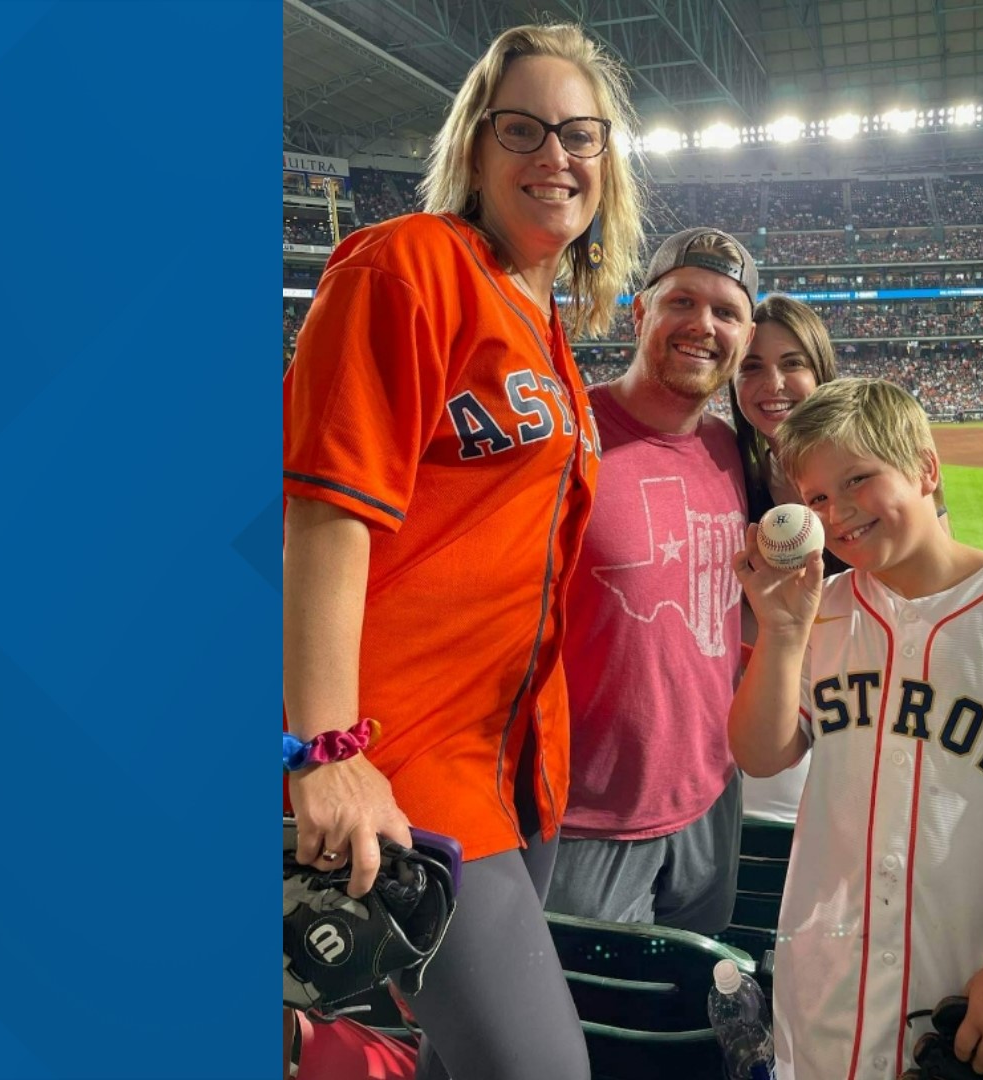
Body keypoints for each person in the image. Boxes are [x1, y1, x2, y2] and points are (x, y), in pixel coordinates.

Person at [281, 23, 642, 1080]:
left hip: (514, 770)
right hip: (401, 760)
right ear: (476, 150)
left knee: (460, 1060)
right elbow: (325, 516)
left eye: (580, 134)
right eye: (521, 129)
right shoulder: (408, 267)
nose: (554, 156)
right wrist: (329, 751)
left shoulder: (548, 331)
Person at [728, 377, 983, 1080]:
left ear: (926, 469)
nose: (838, 512)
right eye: (818, 497)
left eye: (859, 478)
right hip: (838, 979)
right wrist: (779, 631)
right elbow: (761, 753)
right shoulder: (821, 609)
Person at [542, 228, 758, 936]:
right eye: (683, 302)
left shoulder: (727, 451)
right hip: (585, 820)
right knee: (585, 1036)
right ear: (639, 313)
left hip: (711, 802)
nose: (704, 325)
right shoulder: (566, 435)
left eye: (727, 312)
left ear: (745, 334)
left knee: (685, 1021)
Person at [727, 295, 948, 824]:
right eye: (751, 367)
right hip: (773, 711)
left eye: (793, 363)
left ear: (822, 369)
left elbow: (932, 590)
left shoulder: (881, 465)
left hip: (875, 701)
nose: (773, 384)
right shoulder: (728, 474)